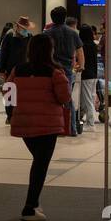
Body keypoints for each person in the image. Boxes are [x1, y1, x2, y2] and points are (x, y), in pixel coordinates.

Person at [7, 30, 71, 221]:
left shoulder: (18, 70)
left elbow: (7, 95)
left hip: (24, 123)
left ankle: (33, 204)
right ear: (50, 51)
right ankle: (29, 207)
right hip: (47, 125)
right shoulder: (55, 73)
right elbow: (64, 98)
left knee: (39, 161)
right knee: (41, 164)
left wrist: (14, 114)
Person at [45, 7, 80, 136]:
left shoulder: (47, 34)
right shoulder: (73, 33)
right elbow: (79, 50)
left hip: (51, 70)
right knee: (68, 99)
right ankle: (71, 129)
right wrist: (81, 65)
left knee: (51, 98)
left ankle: (53, 128)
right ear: (64, 17)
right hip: (67, 71)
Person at [0, 16, 32, 122]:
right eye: (22, 27)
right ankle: (9, 116)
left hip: (26, 70)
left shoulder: (30, 37)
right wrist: (2, 70)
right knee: (9, 94)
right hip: (10, 69)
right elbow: (3, 54)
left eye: (26, 28)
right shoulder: (9, 37)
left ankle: (21, 114)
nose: (24, 30)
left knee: (24, 94)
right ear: (17, 27)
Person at [78, 23, 100, 127]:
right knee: (91, 97)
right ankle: (89, 120)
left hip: (86, 75)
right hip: (94, 75)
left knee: (87, 99)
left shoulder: (83, 46)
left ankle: (90, 122)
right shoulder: (94, 45)